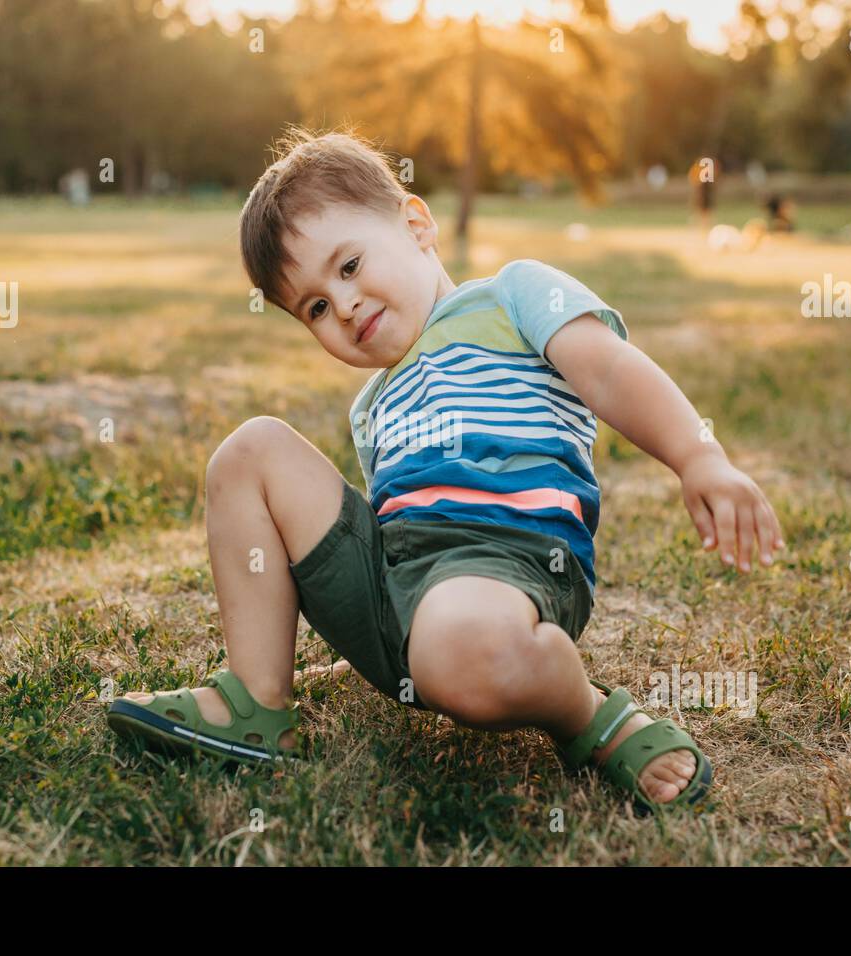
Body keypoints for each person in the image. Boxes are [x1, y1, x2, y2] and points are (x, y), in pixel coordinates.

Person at [106, 129, 786, 814]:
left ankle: (588, 717)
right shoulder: (372, 405)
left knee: (460, 644)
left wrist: (699, 456)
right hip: (400, 585)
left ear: (416, 223)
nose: (342, 306)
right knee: (251, 449)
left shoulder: (512, 297)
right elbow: (387, 529)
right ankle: (256, 699)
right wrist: (364, 633)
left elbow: (609, 370)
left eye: (347, 267)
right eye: (314, 307)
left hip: (510, 561)